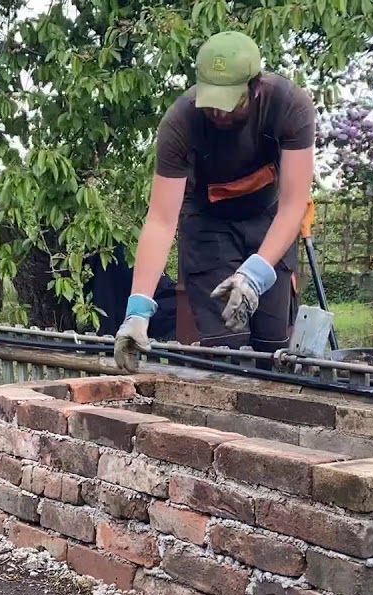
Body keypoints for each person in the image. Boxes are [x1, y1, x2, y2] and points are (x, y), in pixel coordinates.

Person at [113, 30, 316, 371]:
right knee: (227, 351)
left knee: (272, 346)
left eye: (230, 103)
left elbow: (294, 204)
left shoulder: (290, 106)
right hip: (208, 226)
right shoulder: (180, 123)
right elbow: (161, 220)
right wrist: (137, 311)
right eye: (212, 103)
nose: (219, 114)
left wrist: (255, 273)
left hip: (270, 220)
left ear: (255, 88)